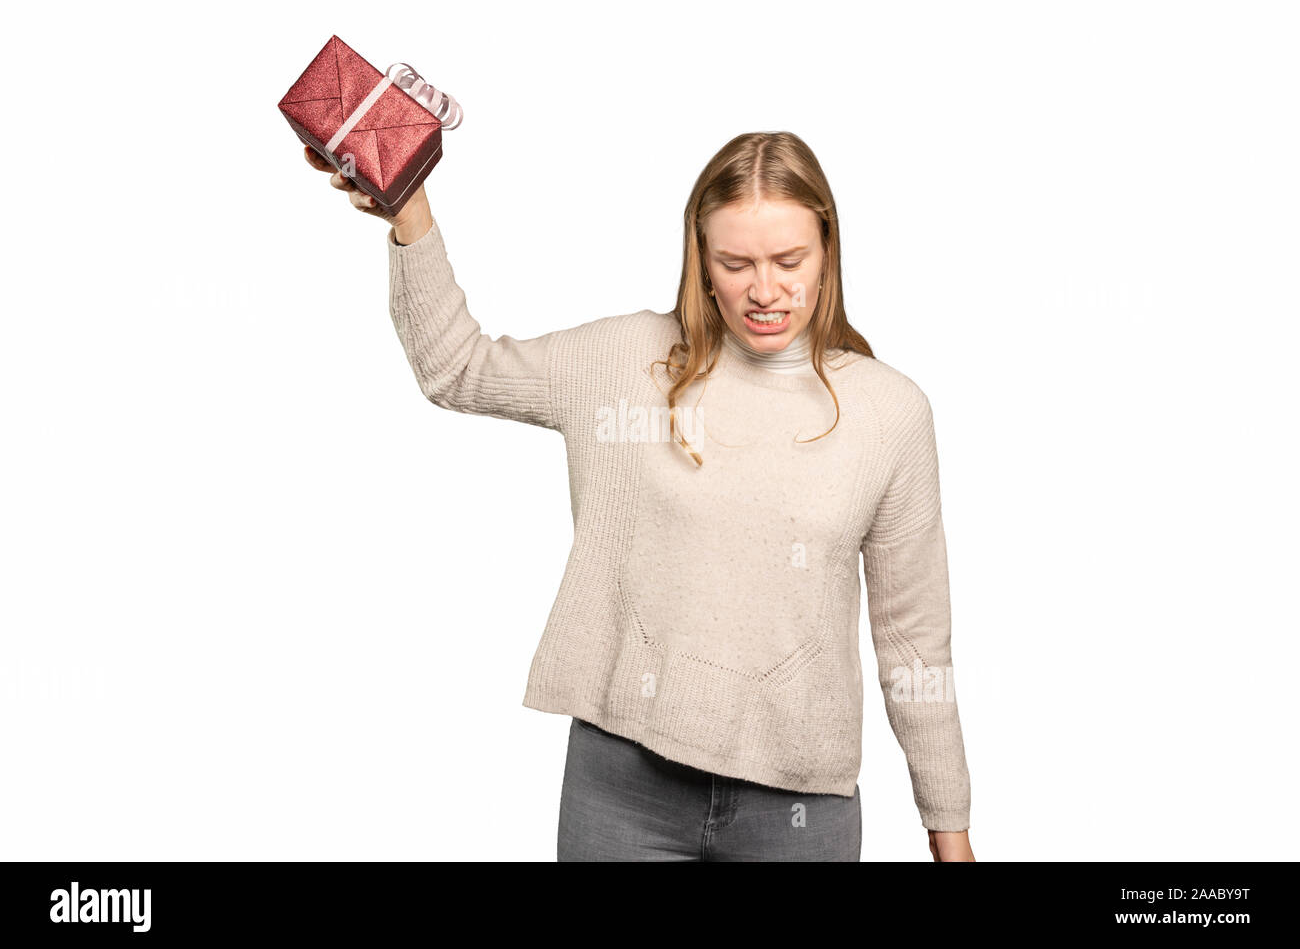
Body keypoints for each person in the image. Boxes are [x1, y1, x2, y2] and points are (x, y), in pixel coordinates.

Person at [303, 130, 975, 862]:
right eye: (735, 262)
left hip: (798, 811)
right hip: (622, 789)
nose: (765, 289)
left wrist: (949, 827)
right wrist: (410, 212)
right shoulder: (625, 361)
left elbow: (913, 634)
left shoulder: (890, 413)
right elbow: (456, 368)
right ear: (700, 258)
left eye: (790, 261)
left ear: (828, 251)